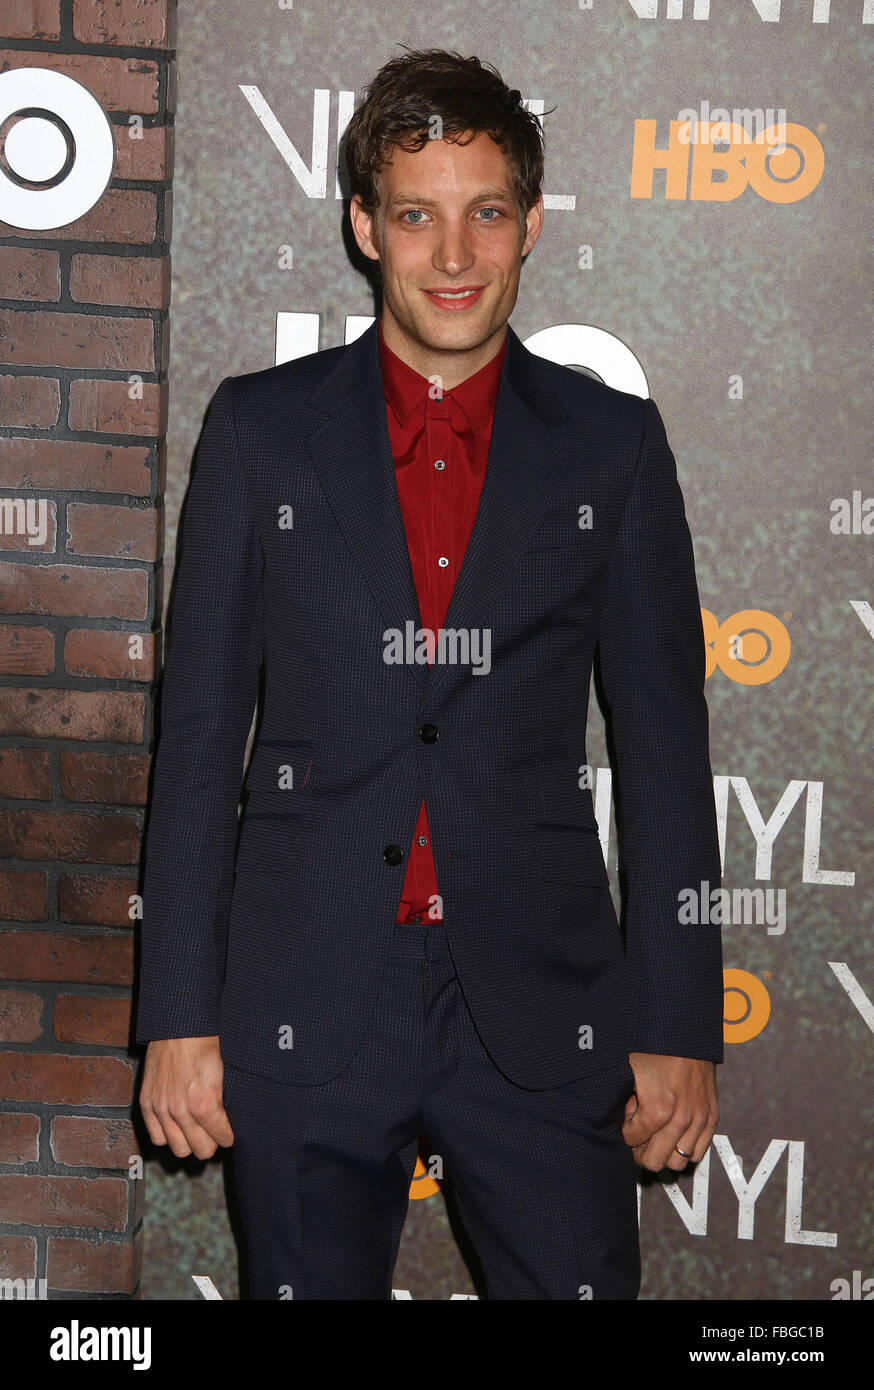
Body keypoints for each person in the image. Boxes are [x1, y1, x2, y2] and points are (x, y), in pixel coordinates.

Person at [137, 47, 723, 1300]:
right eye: (417, 214)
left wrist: (676, 1022)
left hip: (541, 1007)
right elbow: (196, 745)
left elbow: (668, 747)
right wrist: (177, 1017)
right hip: (304, 997)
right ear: (363, 225)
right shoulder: (255, 432)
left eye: (486, 212)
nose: (454, 255)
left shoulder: (612, 444)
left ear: (530, 225)